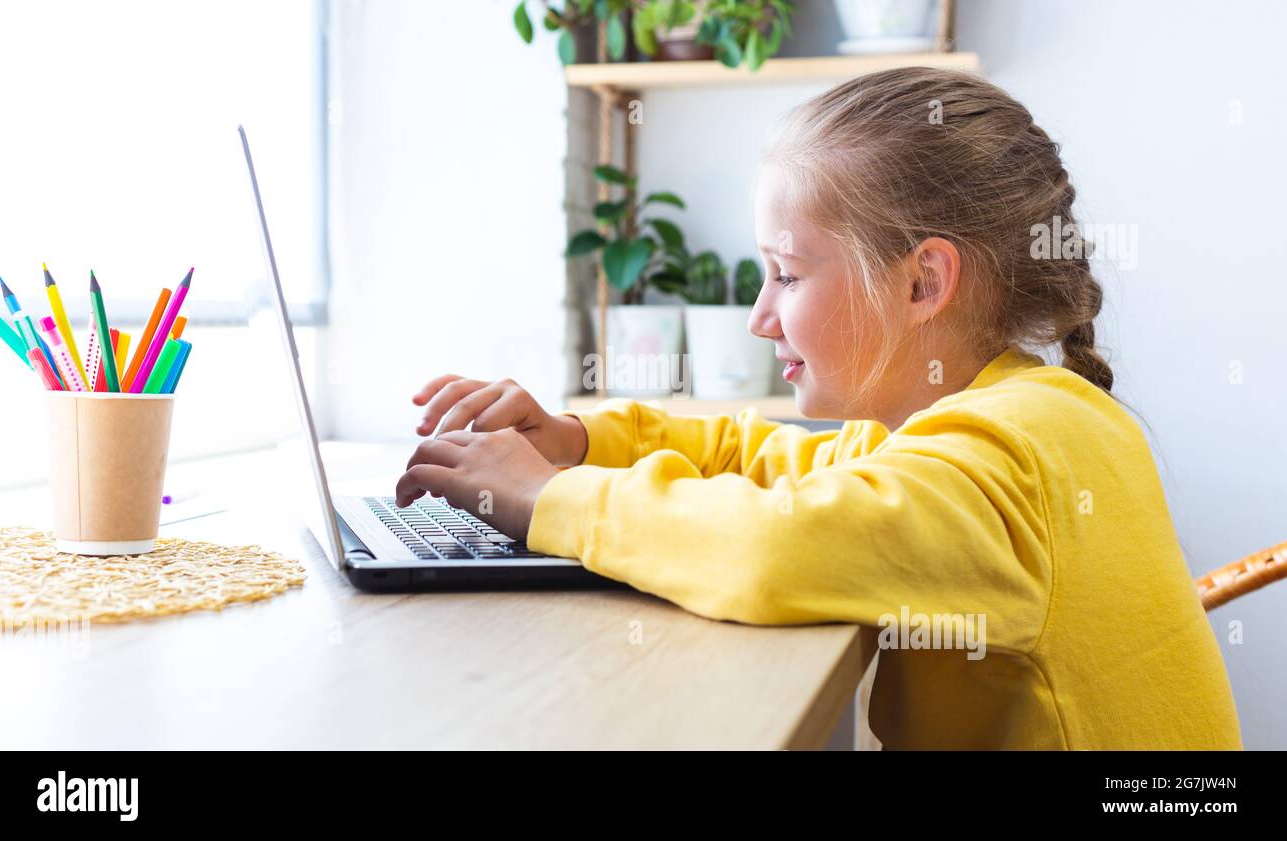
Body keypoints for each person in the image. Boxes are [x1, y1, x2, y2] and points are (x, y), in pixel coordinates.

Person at [394, 67, 1241, 750]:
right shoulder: (990, 420)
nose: (761, 315)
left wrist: (547, 499)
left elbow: (773, 544)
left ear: (923, 283)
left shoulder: (999, 459)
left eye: (787, 274)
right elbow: (762, 455)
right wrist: (578, 441)